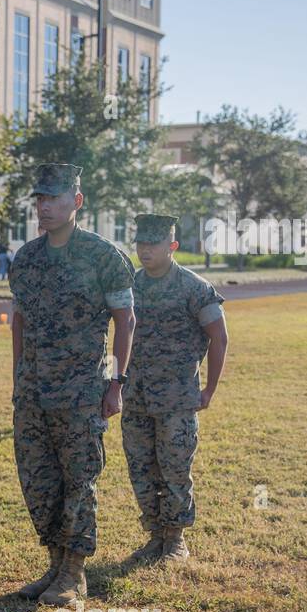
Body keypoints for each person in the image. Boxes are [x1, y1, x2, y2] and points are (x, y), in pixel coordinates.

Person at [10, 163, 135, 607]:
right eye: (39, 199)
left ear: (76, 202)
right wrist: (17, 375)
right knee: (38, 478)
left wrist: (116, 383)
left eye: (53, 199)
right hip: (32, 390)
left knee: (78, 478)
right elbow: (19, 320)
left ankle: (75, 572)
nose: (44, 207)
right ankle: (53, 562)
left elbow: (125, 321)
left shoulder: (103, 256)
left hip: (82, 389)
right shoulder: (26, 258)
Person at [121, 213, 228, 567]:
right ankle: (155, 536)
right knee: (141, 468)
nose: (145, 250)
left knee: (175, 468)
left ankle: (176, 539)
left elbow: (219, 337)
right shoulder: (131, 285)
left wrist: (209, 390)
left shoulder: (193, 287)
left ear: (172, 246)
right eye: (141, 243)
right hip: (135, 396)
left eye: (153, 244)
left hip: (176, 399)